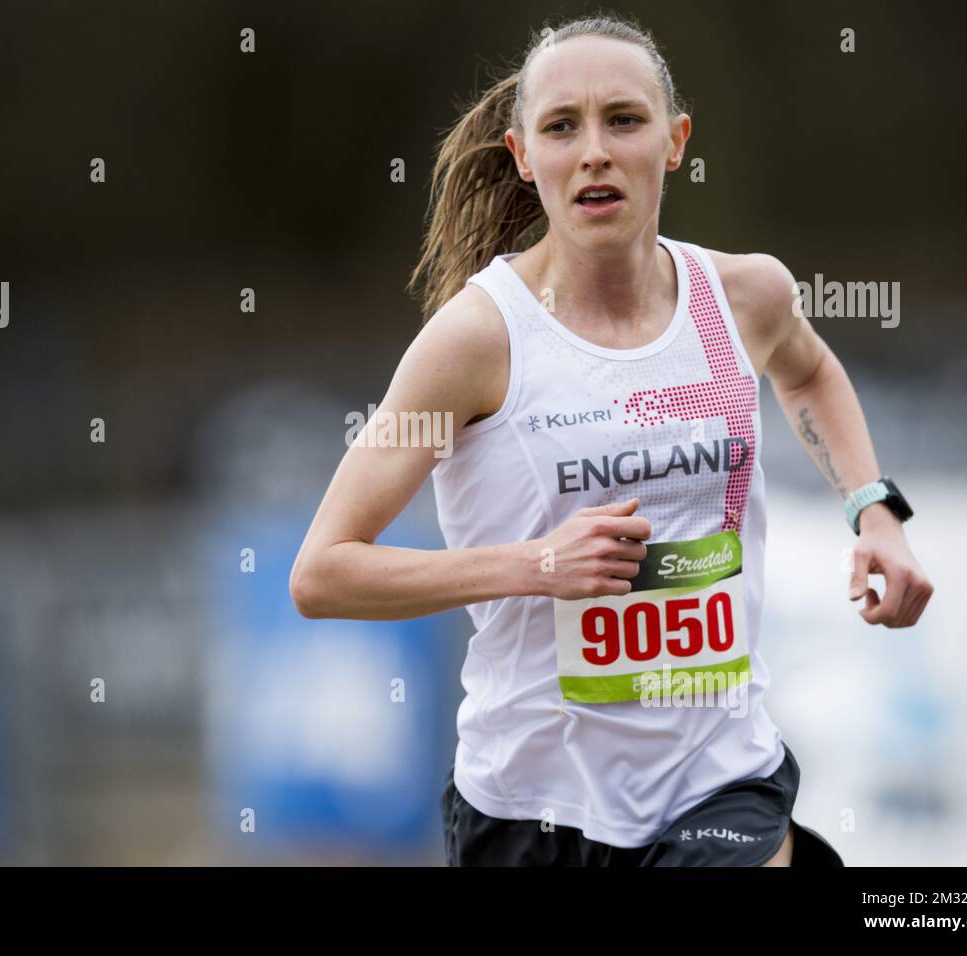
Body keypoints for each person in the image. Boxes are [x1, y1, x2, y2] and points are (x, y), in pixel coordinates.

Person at [289, 12, 933, 866]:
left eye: (623, 120)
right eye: (562, 127)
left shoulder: (744, 297)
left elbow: (808, 370)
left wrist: (874, 512)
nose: (593, 151)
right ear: (525, 156)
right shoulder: (478, 340)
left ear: (675, 140)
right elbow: (323, 572)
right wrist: (535, 564)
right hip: (532, 806)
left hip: (718, 775)